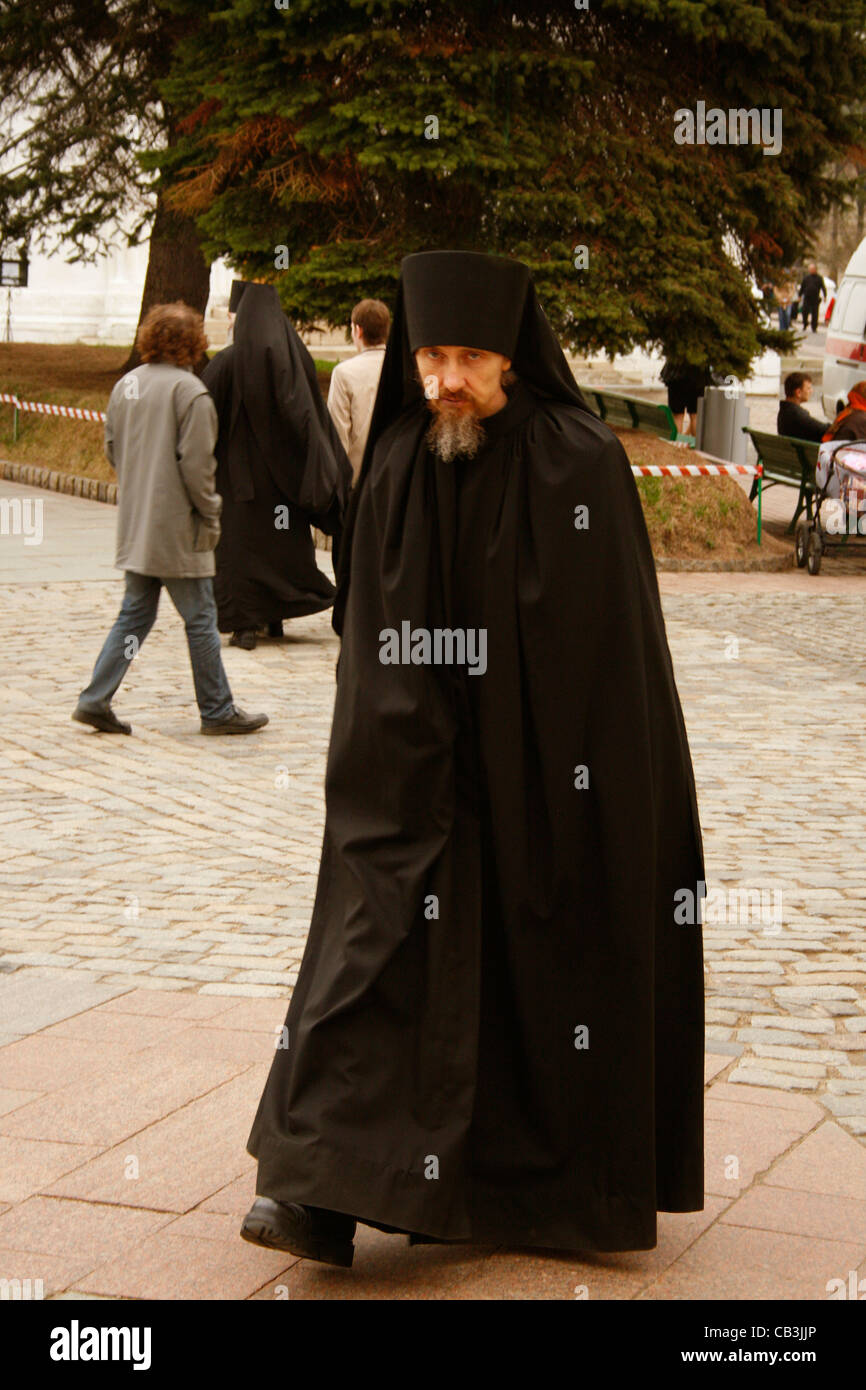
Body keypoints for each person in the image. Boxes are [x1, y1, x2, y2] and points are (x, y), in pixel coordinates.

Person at [240, 250, 706, 1266]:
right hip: (412, 762)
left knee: (541, 969)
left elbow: (608, 651)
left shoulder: (576, 460)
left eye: (468, 358)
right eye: (431, 355)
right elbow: (372, 623)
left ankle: (545, 1193)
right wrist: (393, 744)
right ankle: (312, 1185)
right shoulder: (402, 456)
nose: (445, 379)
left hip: (544, 773)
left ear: (512, 358)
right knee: (368, 951)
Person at [73, 303, 268, 737]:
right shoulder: (190, 392)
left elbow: (111, 448)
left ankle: (95, 697)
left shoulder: (126, 386)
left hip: (138, 521)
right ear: (193, 343)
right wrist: (211, 512)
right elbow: (198, 467)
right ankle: (217, 709)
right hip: (180, 527)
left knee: (134, 616)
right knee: (200, 618)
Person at [201, 282, 352, 650]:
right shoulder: (293, 362)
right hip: (283, 484)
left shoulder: (224, 364)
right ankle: (276, 616)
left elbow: (205, 417)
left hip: (238, 486)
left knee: (239, 552)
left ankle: (245, 625)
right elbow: (308, 418)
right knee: (279, 547)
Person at [327, 299, 390, 483]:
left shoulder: (344, 373)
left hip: (357, 479)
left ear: (358, 330)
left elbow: (338, 434)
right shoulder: (403, 369)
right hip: (394, 479)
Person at [660, 358, 712, 435]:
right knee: (695, 416)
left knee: (677, 416)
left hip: (676, 373)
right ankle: (696, 444)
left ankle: (676, 444)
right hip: (698, 373)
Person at [777, 372, 829, 442]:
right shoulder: (796, 414)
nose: (811, 391)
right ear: (798, 393)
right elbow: (824, 430)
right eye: (808, 388)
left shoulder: (784, 411)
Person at [798, 264, 827, 334]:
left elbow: (823, 287)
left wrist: (825, 296)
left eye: (812, 269)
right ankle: (805, 324)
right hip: (807, 298)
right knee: (804, 312)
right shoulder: (806, 278)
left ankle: (814, 327)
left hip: (815, 298)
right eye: (810, 269)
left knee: (815, 313)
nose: (811, 270)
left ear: (815, 270)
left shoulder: (819, 278)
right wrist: (799, 296)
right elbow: (802, 287)